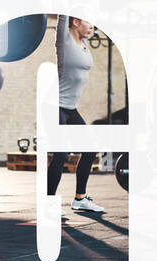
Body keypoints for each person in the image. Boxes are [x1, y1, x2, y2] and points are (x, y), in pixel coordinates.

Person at [48, 15, 105, 214]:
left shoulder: (84, 43)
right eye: (88, 21)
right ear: (75, 22)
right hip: (55, 106)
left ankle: (80, 198)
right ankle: (49, 203)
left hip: (71, 109)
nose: (92, 26)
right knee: (61, 153)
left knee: (90, 150)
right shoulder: (64, 41)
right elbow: (63, 12)